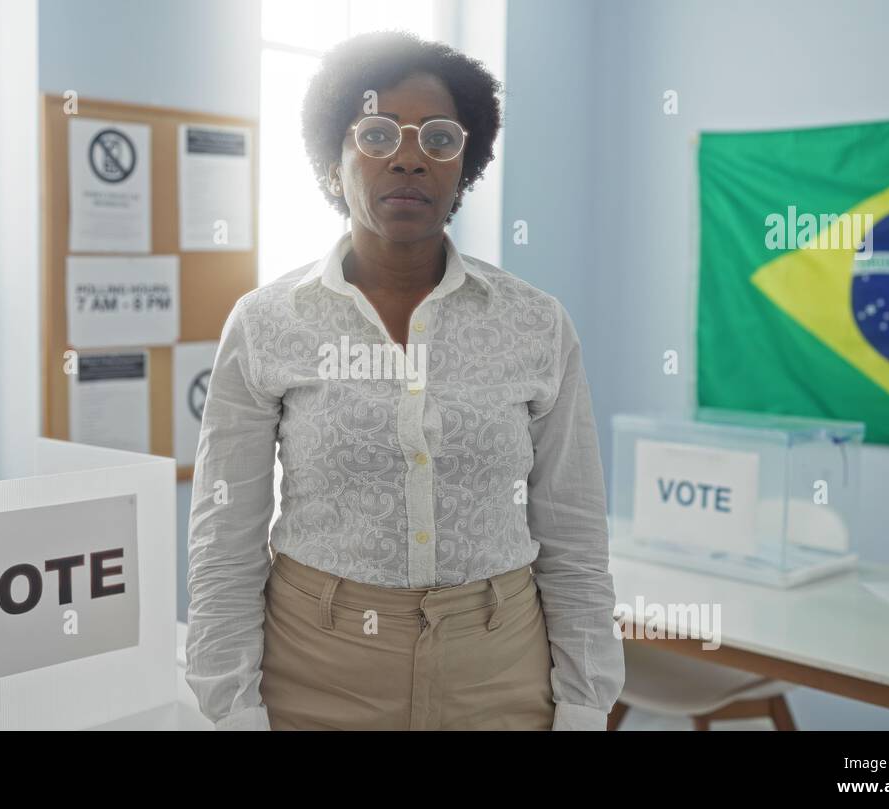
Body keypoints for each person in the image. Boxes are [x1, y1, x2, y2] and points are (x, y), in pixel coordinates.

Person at [185, 29, 623, 730]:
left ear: (465, 166)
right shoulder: (268, 323)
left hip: (500, 669)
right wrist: (232, 706)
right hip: (316, 669)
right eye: (379, 135)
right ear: (335, 163)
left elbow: (572, 529)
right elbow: (224, 533)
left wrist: (584, 701)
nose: (411, 159)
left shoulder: (536, 323)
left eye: (440, 141)